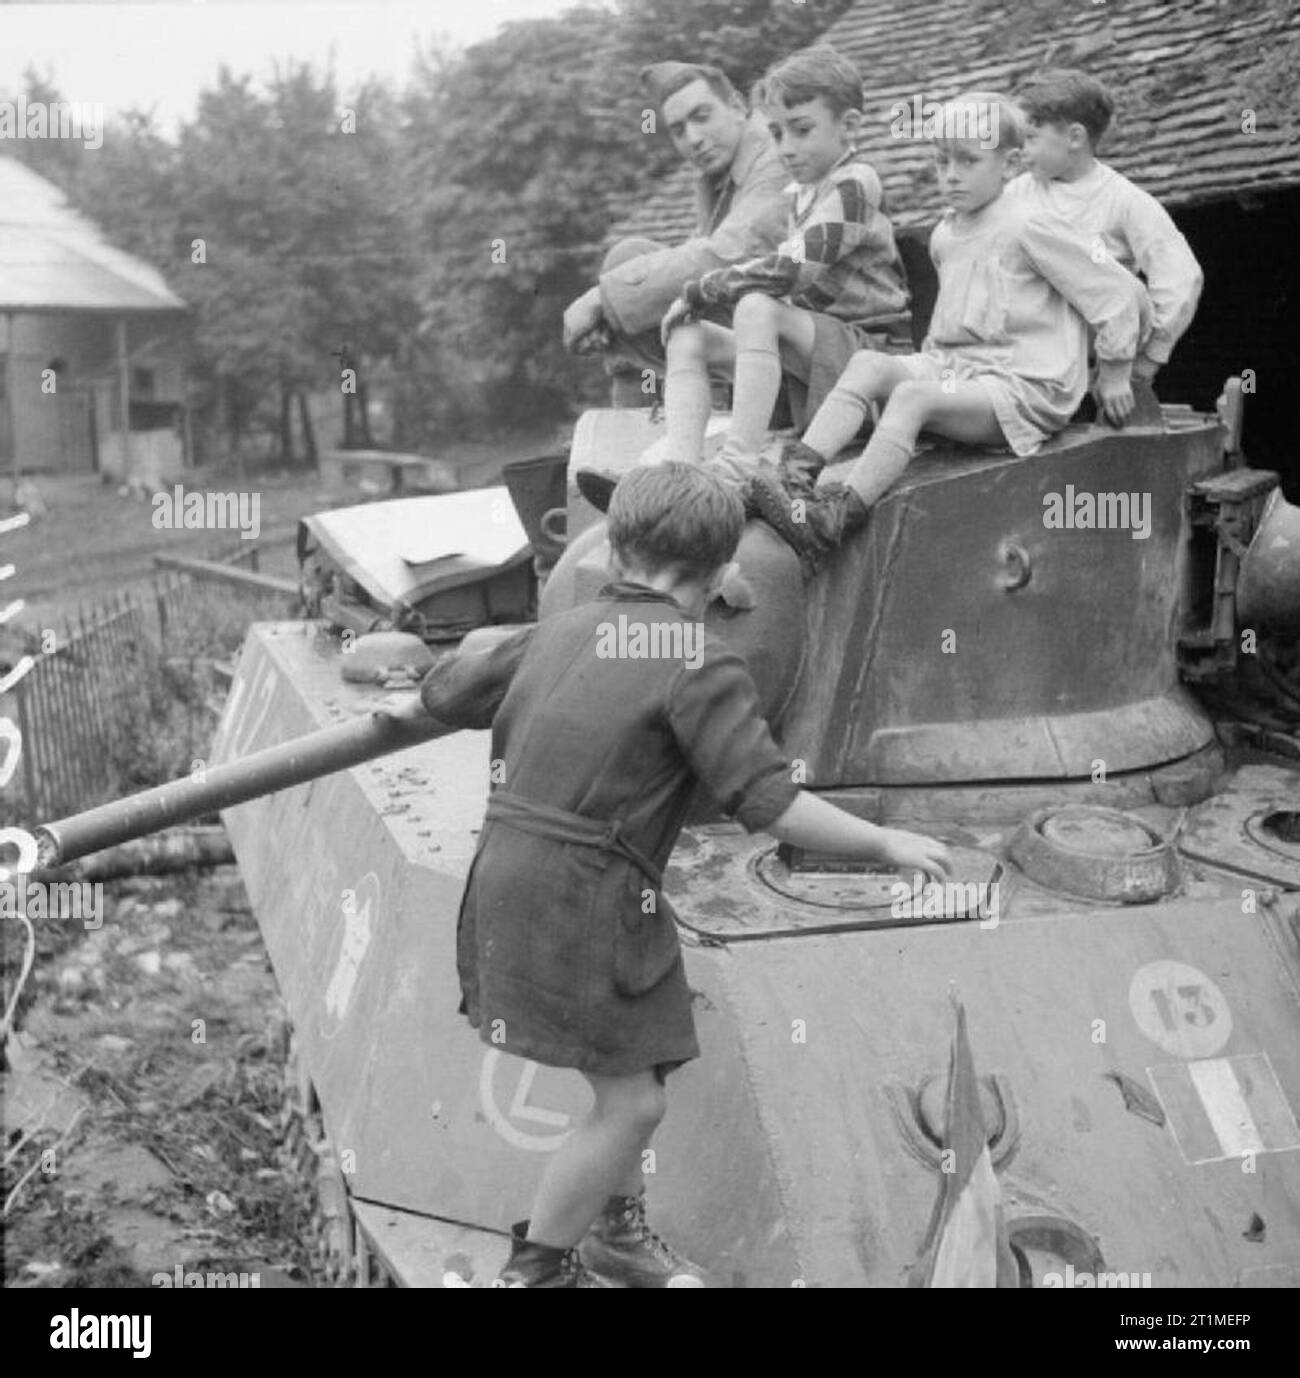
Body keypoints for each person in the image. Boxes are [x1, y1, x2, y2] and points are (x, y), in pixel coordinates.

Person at [409, 463, 953, 1287]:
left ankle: (616, 1234)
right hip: (581, 898)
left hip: (511, 881)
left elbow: (445, 691)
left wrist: (473, 663)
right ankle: (537, 1271)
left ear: (613, 547)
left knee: (639, 1058)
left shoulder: (552, 632)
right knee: (635, 1103)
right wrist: (886, 845)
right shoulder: (699, 664)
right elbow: (769, 804)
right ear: (725, 571)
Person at [751, 92, 1152, 574]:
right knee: (868, 364)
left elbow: (1120, 292)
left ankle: (836, 518)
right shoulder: (945, 232)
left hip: (1021, 386)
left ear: (1010, 163)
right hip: (959, 368)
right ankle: (796, 478)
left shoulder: (1034, 224)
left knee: (913, 399)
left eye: (968, 161)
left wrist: (1115, 371)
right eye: (941, 162)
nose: (951, 175)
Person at [653, 44, 912, 480]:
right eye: (776, 134)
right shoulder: (798, 195)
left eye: (801, 130)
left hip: (873, 361)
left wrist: (701, 288)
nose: (786, 148)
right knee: (688, 336)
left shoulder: (855, 183)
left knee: (756, 307)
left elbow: (790, 269)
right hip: (818, 361)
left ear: (848, 127)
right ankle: (678, 474)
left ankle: (736, 467)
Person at [562, 61, 788, 404]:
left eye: (702, 116)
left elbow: (733, 252)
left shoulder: (776, 157)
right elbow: (694, 258)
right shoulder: (720, 176)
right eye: (679, 130)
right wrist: (612, 311)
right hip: (760, 329)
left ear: (738, 107)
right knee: (632, 260)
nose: (693, 139)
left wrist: (601, 298)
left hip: (807, 334)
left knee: (628, 268)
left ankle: (640, 427)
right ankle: (637, 423)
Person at [1009, 68, 1203, 387]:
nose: (1021, 151)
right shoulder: (1015, 193)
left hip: (1098, 366)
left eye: (1030, 138)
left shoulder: (1123, 200)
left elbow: (1180, 276)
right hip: (1027, 363)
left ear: (1075, 137)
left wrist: (1147, 359)